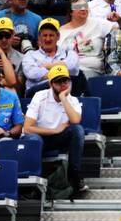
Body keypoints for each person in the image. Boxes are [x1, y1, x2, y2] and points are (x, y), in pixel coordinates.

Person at [23, 64, 87, 199]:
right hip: (38, 138)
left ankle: (75, 175)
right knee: (34, 139)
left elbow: (76, 120)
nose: (63, 84)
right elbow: (28, 128)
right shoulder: (40, 96)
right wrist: (53, 130)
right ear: (51, 84)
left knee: (78, 130)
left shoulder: (72, 100)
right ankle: (34, 184)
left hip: (57, 139)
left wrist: (64, 98)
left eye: (65, 80)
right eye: (58, 81)